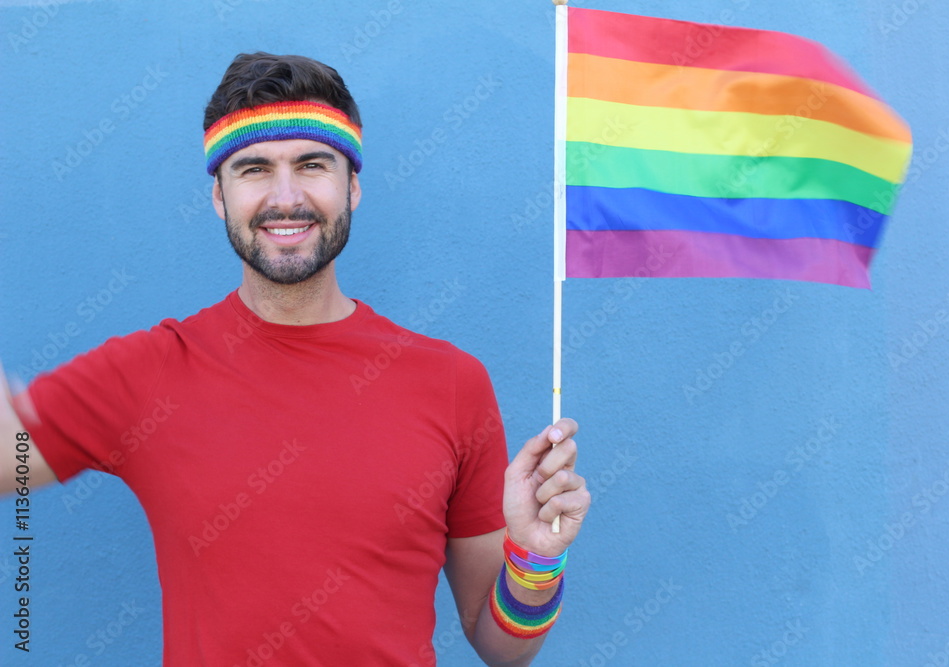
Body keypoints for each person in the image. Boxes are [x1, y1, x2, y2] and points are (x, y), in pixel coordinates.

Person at [0, 52, 590, 666]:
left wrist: (535, 559)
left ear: (353, 186)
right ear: (219, 198)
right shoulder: (151, 371)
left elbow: (500, 647)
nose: (286, 197)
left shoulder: (451, 382)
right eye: (253, 169)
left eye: (312, 165)